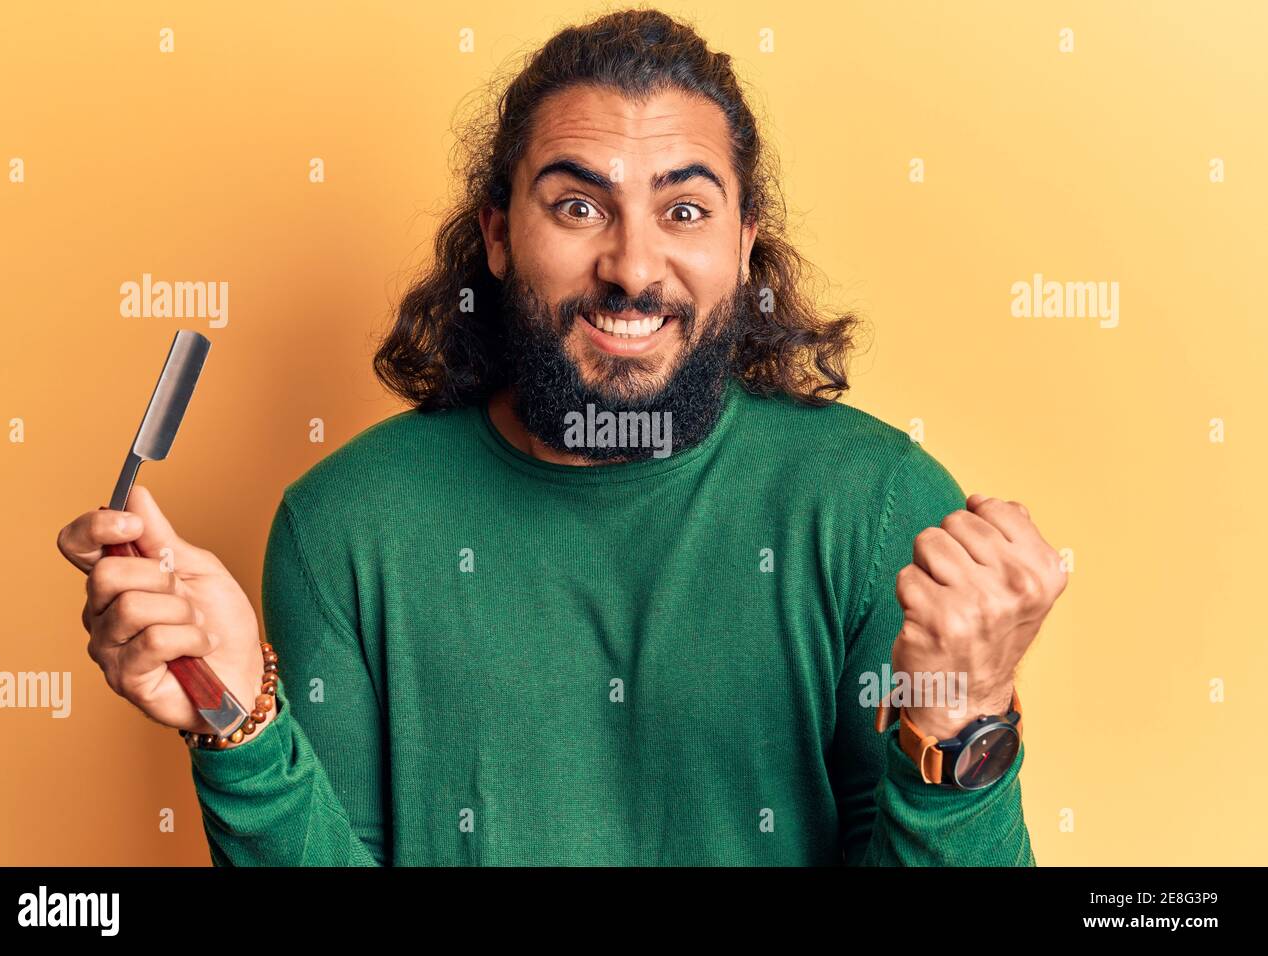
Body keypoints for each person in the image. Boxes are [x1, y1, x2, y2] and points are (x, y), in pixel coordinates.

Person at [56, 8, 1066, 865]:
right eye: (579, 205)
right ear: (496, 236)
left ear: (742, 246)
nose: (632, 266)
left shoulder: (875, 504)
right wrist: (239, 722)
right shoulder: (345, 527)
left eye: (684, 209)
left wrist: (965, 717)